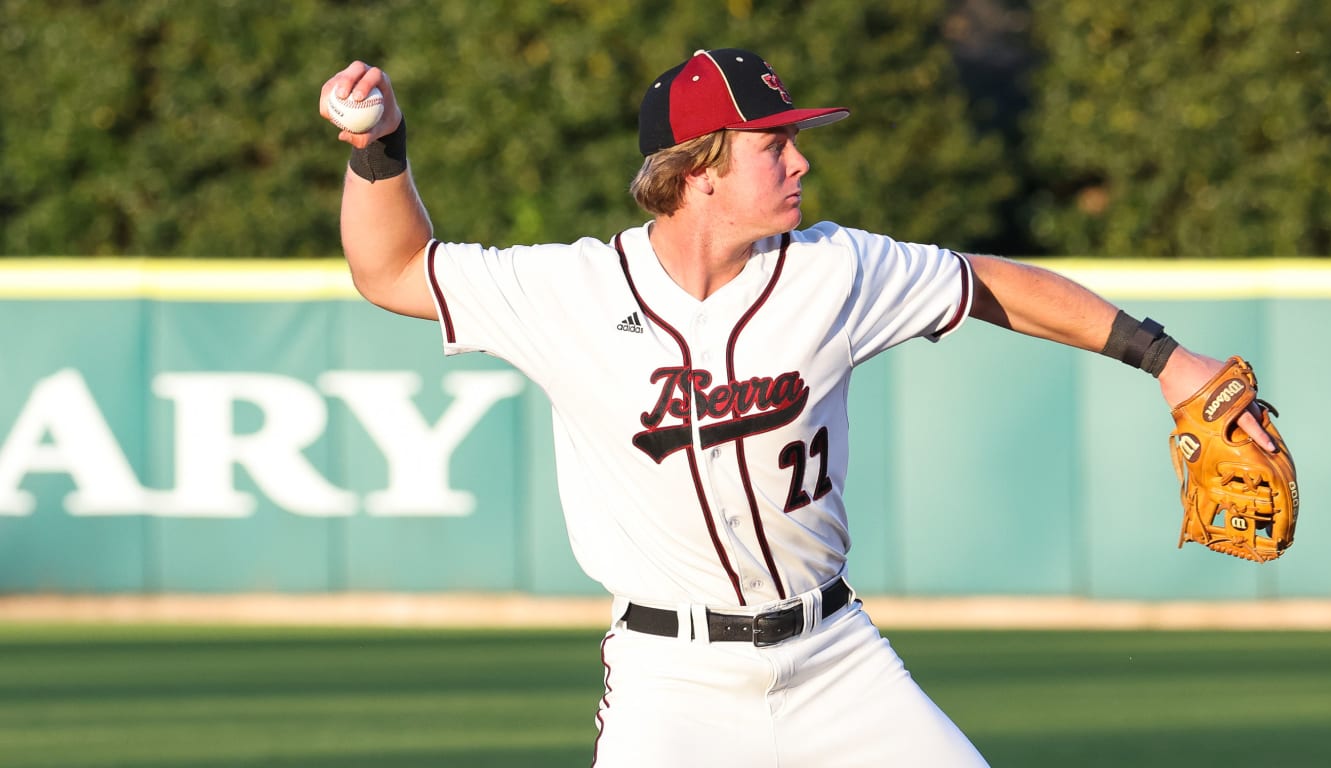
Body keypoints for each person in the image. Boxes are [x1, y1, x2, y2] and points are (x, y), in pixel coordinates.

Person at [319, 48, 1276, 767]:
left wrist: (1167, 359)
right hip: (671, 679)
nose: (800, 164)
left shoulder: (837, 267)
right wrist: (378, 148)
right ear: (695, 169)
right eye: (773, 145)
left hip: (834, 658)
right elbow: (393, 269)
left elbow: (993, 286)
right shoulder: (569, 290)